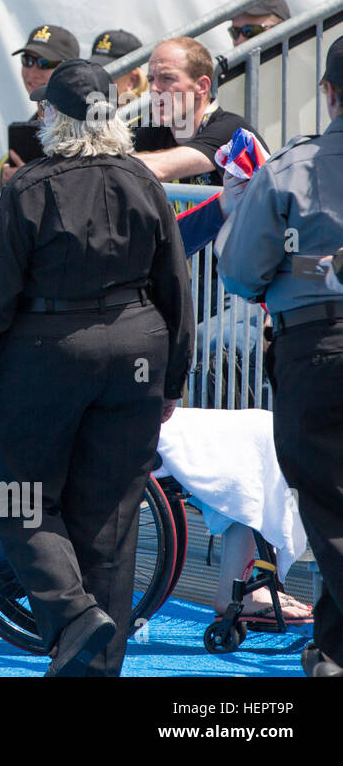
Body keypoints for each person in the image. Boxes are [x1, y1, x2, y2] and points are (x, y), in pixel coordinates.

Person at [0, 59, 194, 676]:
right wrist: (173, 381)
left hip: (47, 352)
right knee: (109, 516)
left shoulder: (29, 188)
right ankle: (95, 666)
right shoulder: (143, 182)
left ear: (53, 118)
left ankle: (73, 614)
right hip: (138, 349)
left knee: (13, 490)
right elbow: (177, 287)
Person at [216, 34, 343, 676]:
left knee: (326, 503)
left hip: (315, 350)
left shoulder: (292, 168)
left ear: (328, 94)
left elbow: (239, 273)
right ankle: (329, 646)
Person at [134, 37, 267, 186]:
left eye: (167, 78)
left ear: (202, 86)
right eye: (151, 79)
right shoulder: (151, 134)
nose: (154, 88)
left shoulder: (233, 131)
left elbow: (160, 168)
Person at [0, 24, 79, 187]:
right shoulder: (24, 133)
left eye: (45, 63)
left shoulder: (86, 127)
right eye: (27, 60)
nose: (32, 71)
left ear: (71, 69)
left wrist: (31, 181)